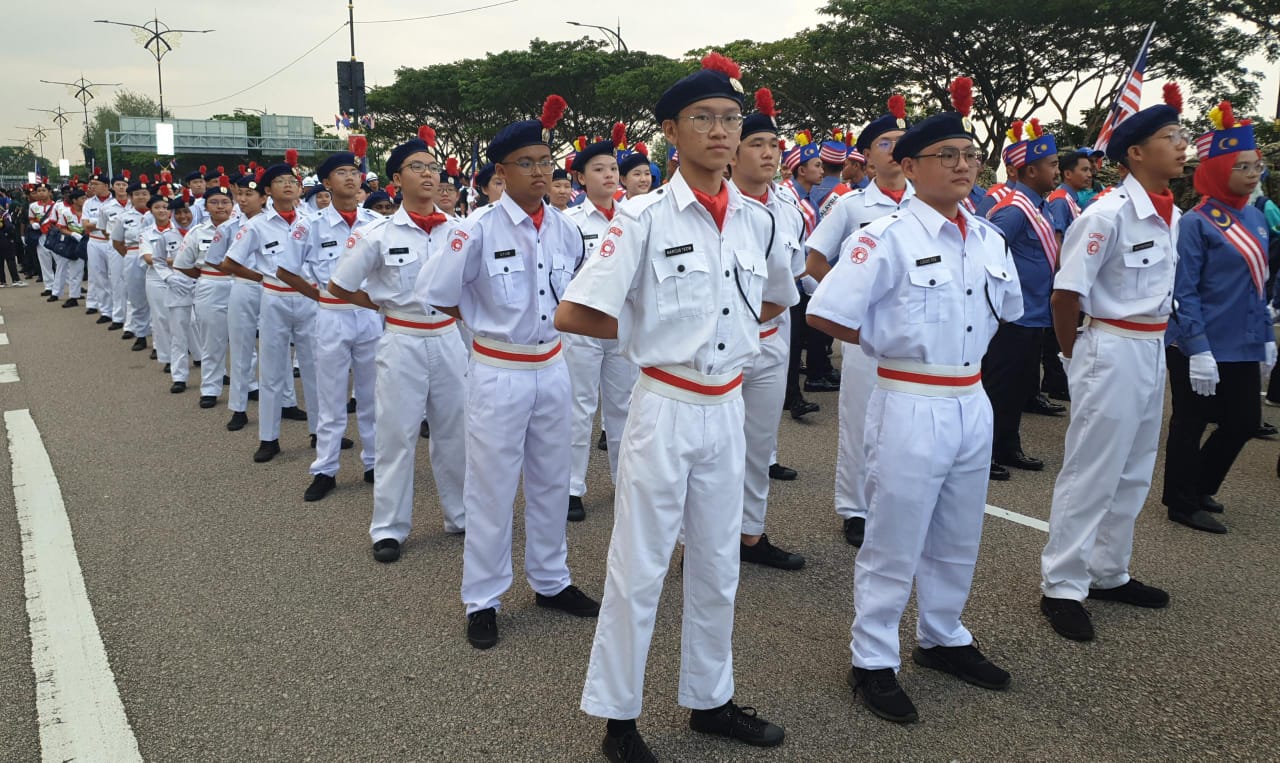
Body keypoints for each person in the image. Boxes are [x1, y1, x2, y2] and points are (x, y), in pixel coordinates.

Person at [557, 53, 797, 759]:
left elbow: (778, 296)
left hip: (727, 406)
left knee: (719, 562)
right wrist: (656, 331)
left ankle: (709, 698)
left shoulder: (757, 219)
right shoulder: (641, 217)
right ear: (672, 130)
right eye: (704, 119)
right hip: (663, 404)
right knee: (641, 564)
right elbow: (576, 310)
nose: (722, 131)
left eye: (731, 119)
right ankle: (619, 717)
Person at [807, 76, 1021, 725]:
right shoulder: (887, 235)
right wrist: (882, 341)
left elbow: (1006, 310)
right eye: (946, 156)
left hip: (969, 397)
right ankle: (872, 656)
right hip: (908, 398)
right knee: (894, 537)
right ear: (909, 167)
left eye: (970, 155)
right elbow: (826, 309)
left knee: (958, 532)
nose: (963, 166)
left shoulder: (987, 238)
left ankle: (942, 634)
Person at [418, 94, 601, 650]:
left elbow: (578, 292)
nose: (541, 172)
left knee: (551, 479)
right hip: (499, 369)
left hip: (553, 364)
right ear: (501, 172)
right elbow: (438, 294)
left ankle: (551, 580)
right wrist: (485, 332)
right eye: (528, 163)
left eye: (547, 162)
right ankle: (483, 598)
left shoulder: (566, 229)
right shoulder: (475, 229)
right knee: (492, 488)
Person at [1039, 84, 1188, 642]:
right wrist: (1073, 358)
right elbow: (1065, 294)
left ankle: (1108, 570)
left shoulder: (1167, 212)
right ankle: (1062, 584)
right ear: (1135, 153)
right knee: (1092, 471)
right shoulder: (1107, 215)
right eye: (1169, 138)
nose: (1181, 145)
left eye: (1181, 135)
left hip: (1150, 347)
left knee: (1133, 468)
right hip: (1111, 345)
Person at [331, 127, 469, 561]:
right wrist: (382, 305)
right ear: (396, 180)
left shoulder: (460, 230)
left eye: (433, 168)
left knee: (455, 433)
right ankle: (389, 527)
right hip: (402, 338)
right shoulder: (379, 234)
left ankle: (461, 514)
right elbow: (340, 285)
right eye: (417, 168)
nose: (429, 175)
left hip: (449, 338)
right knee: (397, 435)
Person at [804, 94, 914, 545]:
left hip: (909, 332)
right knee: (861, 420)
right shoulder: (849, 205)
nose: (895, 150)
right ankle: (855, 507)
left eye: (902, 142)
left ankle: (895, 501)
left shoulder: (923, 202)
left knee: (905, 422)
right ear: (866, 155)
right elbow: (814, 260)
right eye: (886, 143)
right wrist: (850, 304)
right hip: (865, 332)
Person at [1160, 102, 1275, 534]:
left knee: (1244, 422)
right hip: (1199, 342)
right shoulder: (1196, 223)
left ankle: (1201, 483)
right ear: (1217, 169)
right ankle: (1181, 501)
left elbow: (1258, 284)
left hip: (1242, 340)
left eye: (1256, 166)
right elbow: (1183, 290)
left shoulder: (1255, 216)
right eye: (1242, 166)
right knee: (1190, 422)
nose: (1252, 174)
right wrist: (1199, 348)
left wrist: (1265, 335)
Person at [730, 87, 808, 570]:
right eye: (757, 143)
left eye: (774, 146)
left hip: (771, 339)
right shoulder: (715, 205)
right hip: (719, 348)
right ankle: (689, 542)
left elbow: (794, 269)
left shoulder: (788, 208)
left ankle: (750, 536)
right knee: (708, 452)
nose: (768, 154)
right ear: (733, 151)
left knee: (758, 447)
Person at [279, 150, 379, 501]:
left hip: (368, 315)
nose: (351, 178)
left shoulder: (374, 222)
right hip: (332, 315)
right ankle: (326, 468)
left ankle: (373, 463)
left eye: (354, 171)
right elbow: (285, 269)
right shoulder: (310, 225)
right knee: (331, 395)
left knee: (370, 395)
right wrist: (317, 295)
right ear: (326, 183)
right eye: (341, 172)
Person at [563, 133, 637, 522]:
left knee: (624, 405)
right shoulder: (569, 221)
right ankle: (572, 487)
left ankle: (623, 479)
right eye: (599, 169)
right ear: (580, 179)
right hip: (581, 327)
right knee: (579, 405)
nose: (610, 175)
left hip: (623, 324)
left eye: (613, 168)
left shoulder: (634, 216)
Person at [982, 119, 1061, 475]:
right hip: (1013, 317)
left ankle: (1008, 447)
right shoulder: (1015, 209)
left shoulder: (1040, 206)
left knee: (1016, 390)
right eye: (1053, 165)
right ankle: (985, 454)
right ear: (1031, 170)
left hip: (1035, 314)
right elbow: (990, 253)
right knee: (1000, 389)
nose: (1057, 170)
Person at [223, 157, 315, 458]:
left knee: (315, 370)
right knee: (273, 370)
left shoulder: (311, 221)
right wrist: (263, 278)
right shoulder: (257, 225)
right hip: (274, 298)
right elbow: (230, 261)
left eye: (292, 180)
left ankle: (320, 433)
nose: (289, 185)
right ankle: (269, 438)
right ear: (268, 191)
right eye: (280, 181)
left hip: (308, 299)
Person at [173, 179, 238, 409]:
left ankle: (249, 385)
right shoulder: (197, 233)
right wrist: (204, 275)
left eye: (225, 202)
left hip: (240, 285)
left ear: (233, 204)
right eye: (214, 202)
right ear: (206, 207)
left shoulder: (244, 228)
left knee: (245, 340)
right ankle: (210, 388)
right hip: (210, 285)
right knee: (212, 341)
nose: (220, 207)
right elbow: (182, 264)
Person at [222, 173, 268, 431]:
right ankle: (238, 407)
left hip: (272, 290)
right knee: (241, 348)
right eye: (239, 194)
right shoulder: (229, 226)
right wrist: (257, 275)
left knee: (277, 348)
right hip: (243, 287)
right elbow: (219, 259)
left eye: (249, 194)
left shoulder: (279, 223)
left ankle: (286, 400)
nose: (242, 199)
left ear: (263, 197)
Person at [111, 176, 154, 352]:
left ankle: (160, 343)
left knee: (158, 300)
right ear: (130, 197)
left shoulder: (158, 213)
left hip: (155, 257)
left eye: (145, 194)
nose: (141, 197)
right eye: (137, 194)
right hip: (133, 254)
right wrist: (130, 256)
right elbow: (117, 242)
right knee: (137, 298)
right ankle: (141, 335)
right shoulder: (124, 217)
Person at [82, 172, 115, 316]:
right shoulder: (89, 203)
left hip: (112, 242)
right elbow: (86, 226)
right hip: (95, 242)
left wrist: (95, 223)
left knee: (115, 276)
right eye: (91, 184)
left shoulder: (115, 202)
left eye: (96, 184)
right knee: (99, 276)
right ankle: (105, 310)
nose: (92, 187)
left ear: (106, 186)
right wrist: (104, 223)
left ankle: (117, 308)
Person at [51, 188, 87, 307]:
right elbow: (61, 227)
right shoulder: (66, 212)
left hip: (84, 242)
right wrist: (72, 234)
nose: (85, 200)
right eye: (82, 198)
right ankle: (64, 294)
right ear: (75, 200)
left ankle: (77, 295)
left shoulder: (88, 211)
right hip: (69, 243)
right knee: (67, 268)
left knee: (80, 270)